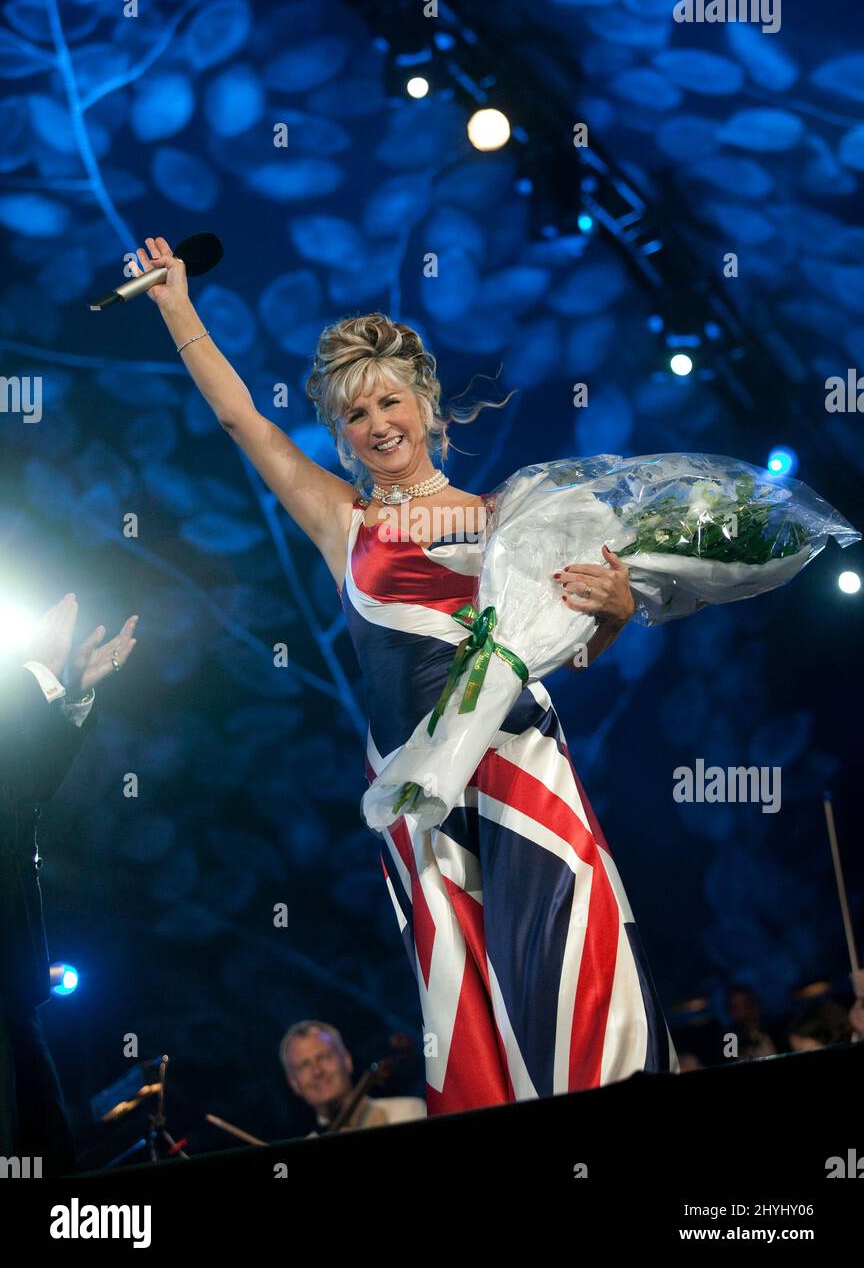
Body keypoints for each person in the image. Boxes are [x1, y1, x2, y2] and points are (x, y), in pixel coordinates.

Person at [129, 235, 678, 1114]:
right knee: (462, 985)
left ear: (426, 408)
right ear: (341, 433)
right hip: (411, 781)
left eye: (391, 401)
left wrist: (614, 606)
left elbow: (576, 647)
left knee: (558, 957)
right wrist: (176, 306)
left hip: (517, 766)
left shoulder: (509, 517)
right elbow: (245, 423)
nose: (378, 423)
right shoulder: (339, 521)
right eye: (355, 414)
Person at [0, 592, 137, 1173]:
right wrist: (36, 671)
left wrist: (70, 689)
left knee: (42, 1148)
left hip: (13, 991)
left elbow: (18, 796)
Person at [279, 1021, 426, 1133]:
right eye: (304, 1065)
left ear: (347, 1061)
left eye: (324, 1057)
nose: (317, 1071)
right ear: (293, 1083)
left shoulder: (406, 1113)